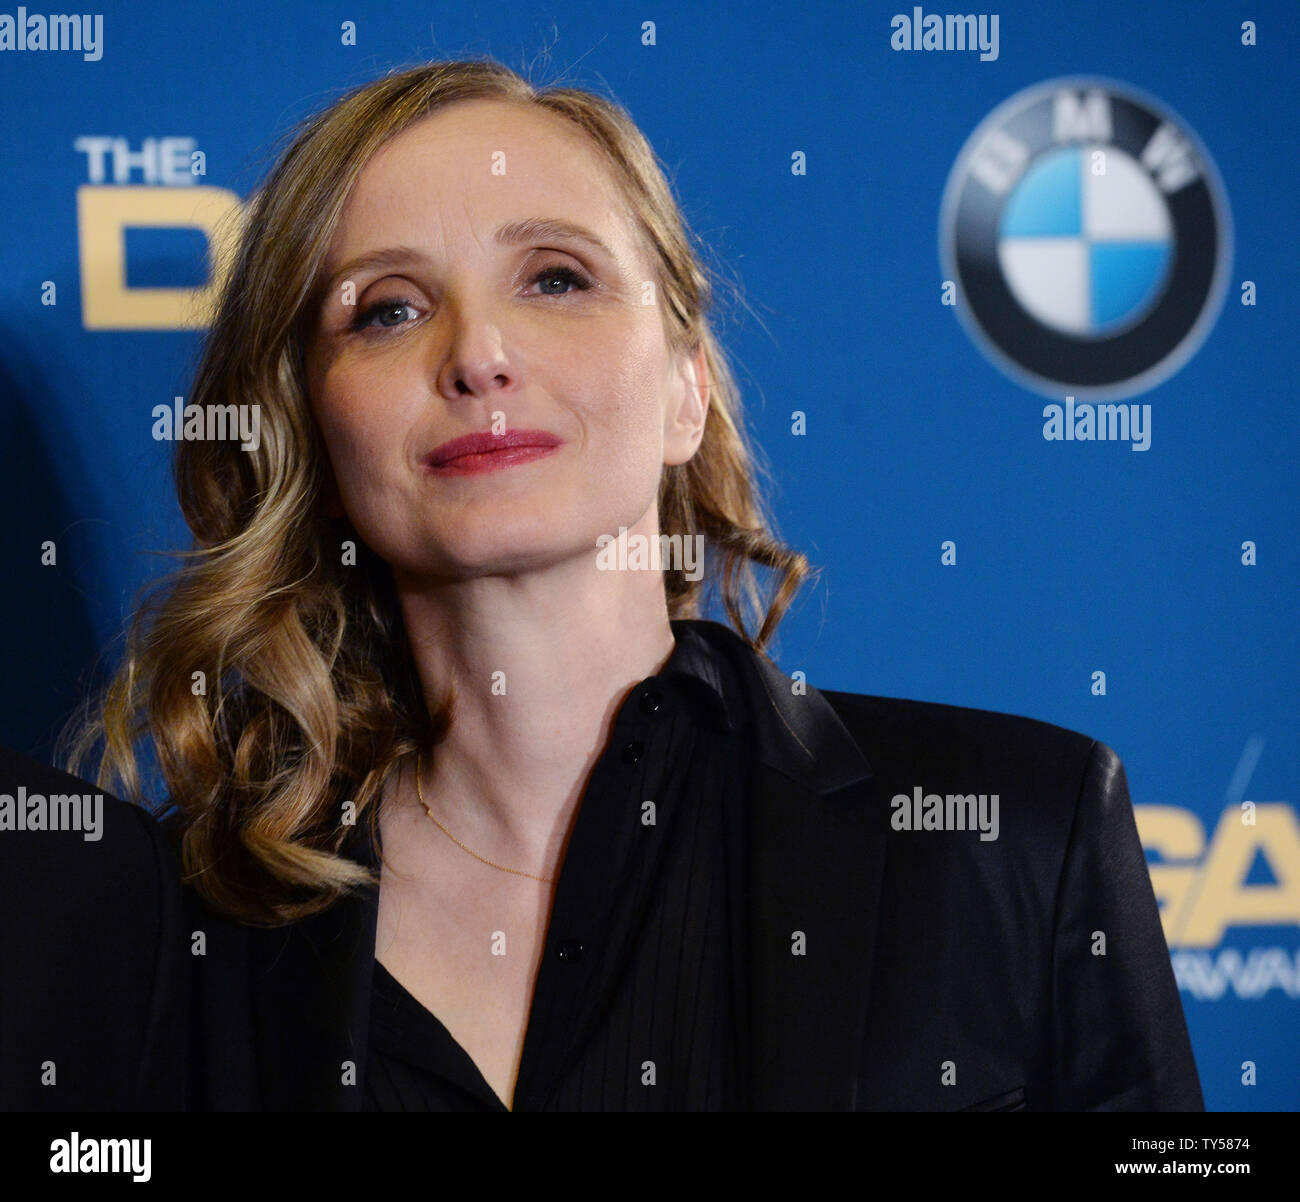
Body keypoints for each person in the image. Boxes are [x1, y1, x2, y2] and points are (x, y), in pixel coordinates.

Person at [60, 57, 1202, 1112]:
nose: (478, 355)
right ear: (312, 429)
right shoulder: (180, 938)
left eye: (555, 279)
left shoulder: (1017, 831)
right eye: (388, 309)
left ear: (685, 390)